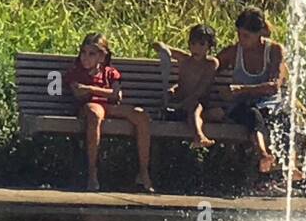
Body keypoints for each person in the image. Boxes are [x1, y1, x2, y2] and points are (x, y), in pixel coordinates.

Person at [65, 33, 156, 193]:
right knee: (95, 113)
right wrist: (99, 92)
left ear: (102, 56)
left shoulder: (110, 73)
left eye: (91, 54)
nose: (86, 58)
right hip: (90, 106)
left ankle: (143, 172)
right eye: (83, 53)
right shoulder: (76, 72)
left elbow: (116, 95)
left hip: (111, 106)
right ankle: (92, 172)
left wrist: (90, 88)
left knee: (141, 116)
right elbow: (78, 93)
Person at [215, 7, 288, 176]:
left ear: (260, 34)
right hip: (242, 106)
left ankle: (287, 169)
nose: (241, 40)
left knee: (283, 118)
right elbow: (210, 67)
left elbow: (273, 86)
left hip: (269, 105)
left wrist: (242, 89)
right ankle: (264, 156)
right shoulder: (233, 52)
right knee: (252, 115)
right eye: (239, 34)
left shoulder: (274, 50)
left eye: (246, 36)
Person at [155, 25, 220, 149]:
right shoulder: (184, 59)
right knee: (194, 108)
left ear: (209, 46)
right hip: (181, 104)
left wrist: (184, 103)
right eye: (193, 44)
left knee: (200, 108)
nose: (196, 48)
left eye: (201, 44)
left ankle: (199, 136)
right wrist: (172, 92)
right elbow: (159, 46)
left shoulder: (211, 63)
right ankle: (199, 137)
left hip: (199, 104)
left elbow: (201, 90)